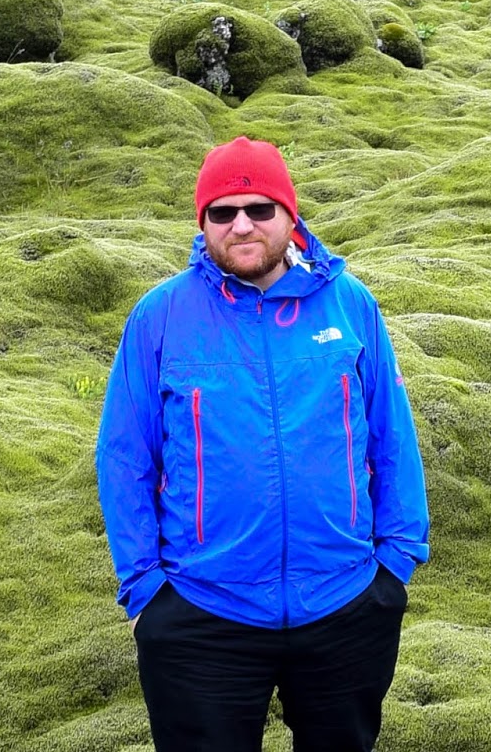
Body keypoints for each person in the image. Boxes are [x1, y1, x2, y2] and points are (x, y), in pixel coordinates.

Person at [96, 136, 430, 752]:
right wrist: (145, 592)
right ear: (203, 223)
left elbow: (391, 435)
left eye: (259, 209)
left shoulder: (350, 305)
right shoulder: (160, 316)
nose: (242, 225)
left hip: (345, 604)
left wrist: (396, 566)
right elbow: (124, 456)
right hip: (201, 613)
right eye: (222, 212)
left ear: (289, 215)